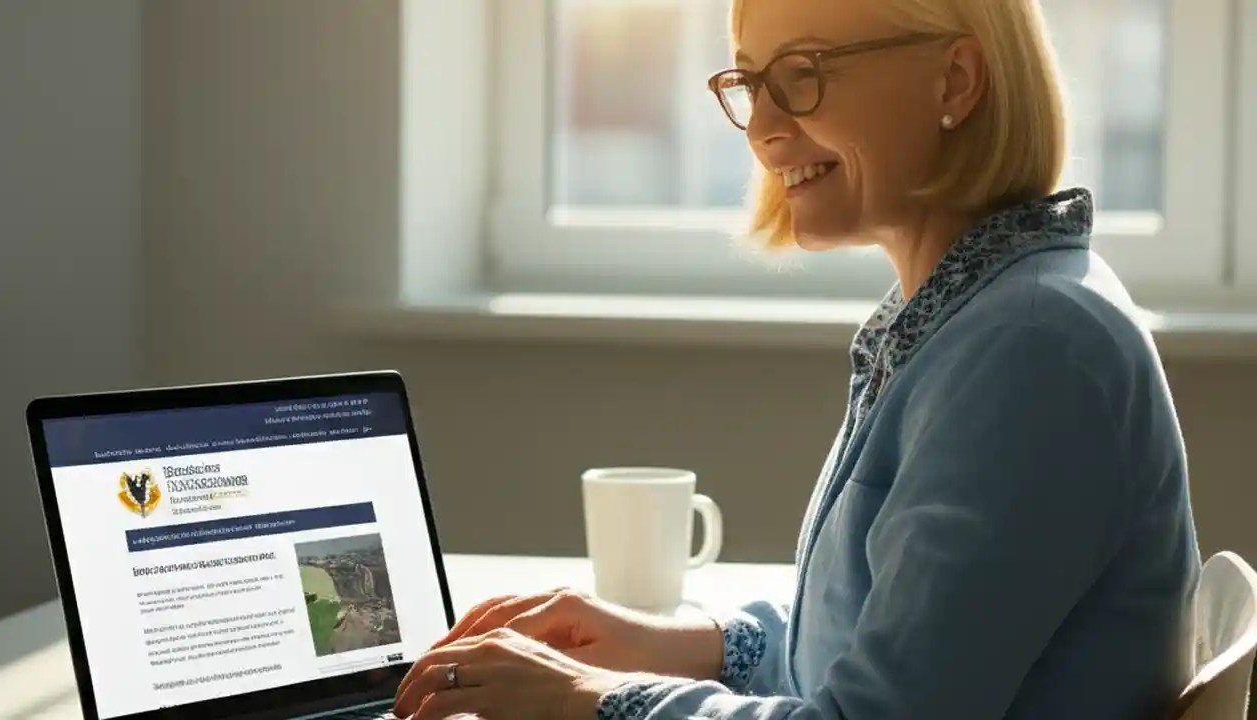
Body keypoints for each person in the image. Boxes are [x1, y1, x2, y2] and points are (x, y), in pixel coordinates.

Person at [393, 0, 1201, 717]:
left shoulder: (1029, 351)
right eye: (751, 83)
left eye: (804, 73)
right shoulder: (970, 319)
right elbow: (860, 651)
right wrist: (665, 643)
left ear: (954, 81)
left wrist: (596, 702)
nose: (762, 127)